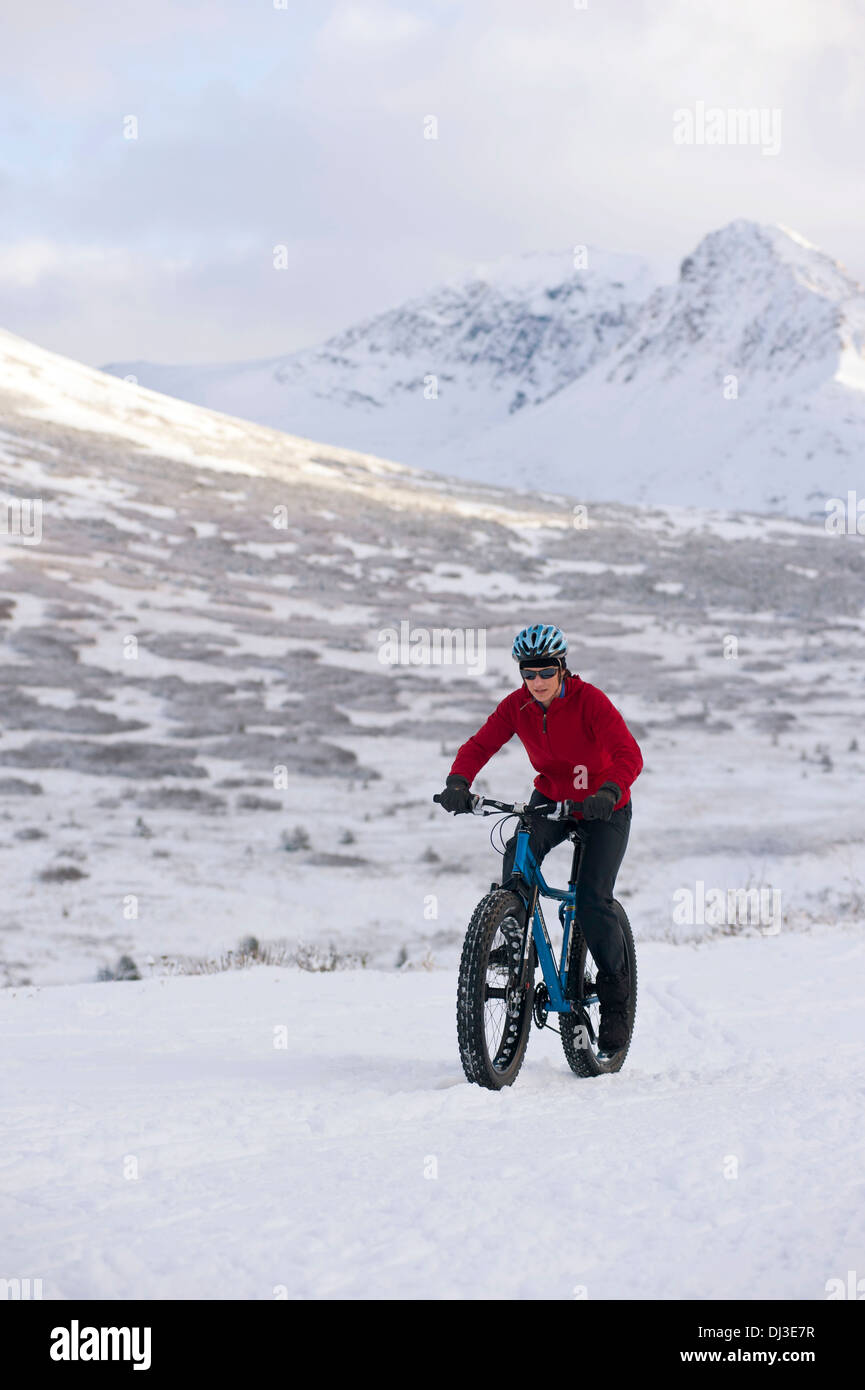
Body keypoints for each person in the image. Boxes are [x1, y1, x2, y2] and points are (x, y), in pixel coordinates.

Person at [436, 623, 643, 1052]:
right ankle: (516, 941)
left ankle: (616, 998)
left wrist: (609, 792)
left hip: (603, 807)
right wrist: (459, 781)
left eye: (546, 672)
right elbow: (480, 744)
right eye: (528, 673)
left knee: (591, 899)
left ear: (563, 668)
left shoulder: (590, 702)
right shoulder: (517, 706)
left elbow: (629, 754)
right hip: (551, 801)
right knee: (518, 851)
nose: (537, 682)